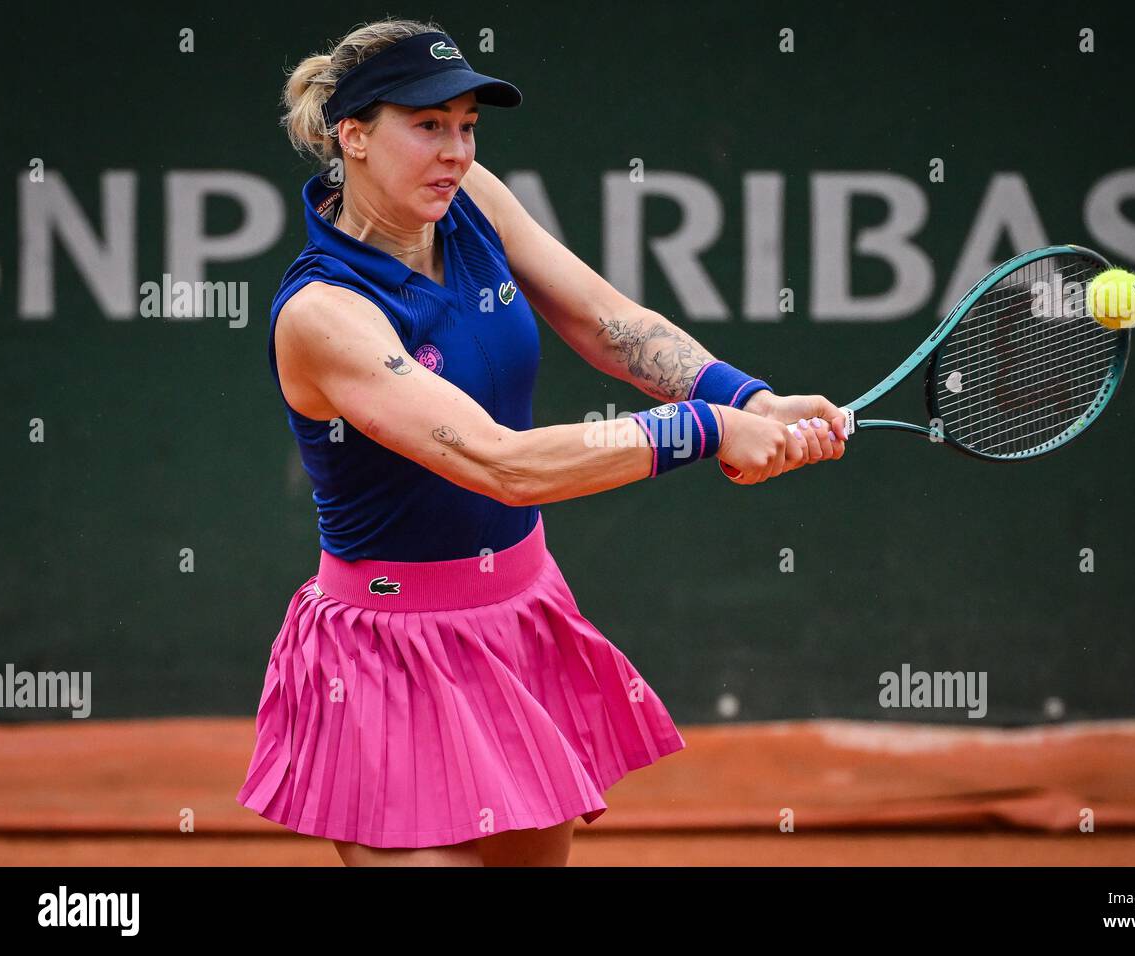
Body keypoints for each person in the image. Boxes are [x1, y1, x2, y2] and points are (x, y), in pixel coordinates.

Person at [236, 17, 849, 867]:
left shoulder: (472, 199)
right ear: (354, 136)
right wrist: (708, 429)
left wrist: (749, 397)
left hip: (518, 619)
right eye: (427, 125)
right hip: (387, 658)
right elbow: (500, 465)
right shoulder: (323, 315)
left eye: (467, 126)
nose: (455, 150)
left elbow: (606, 323)